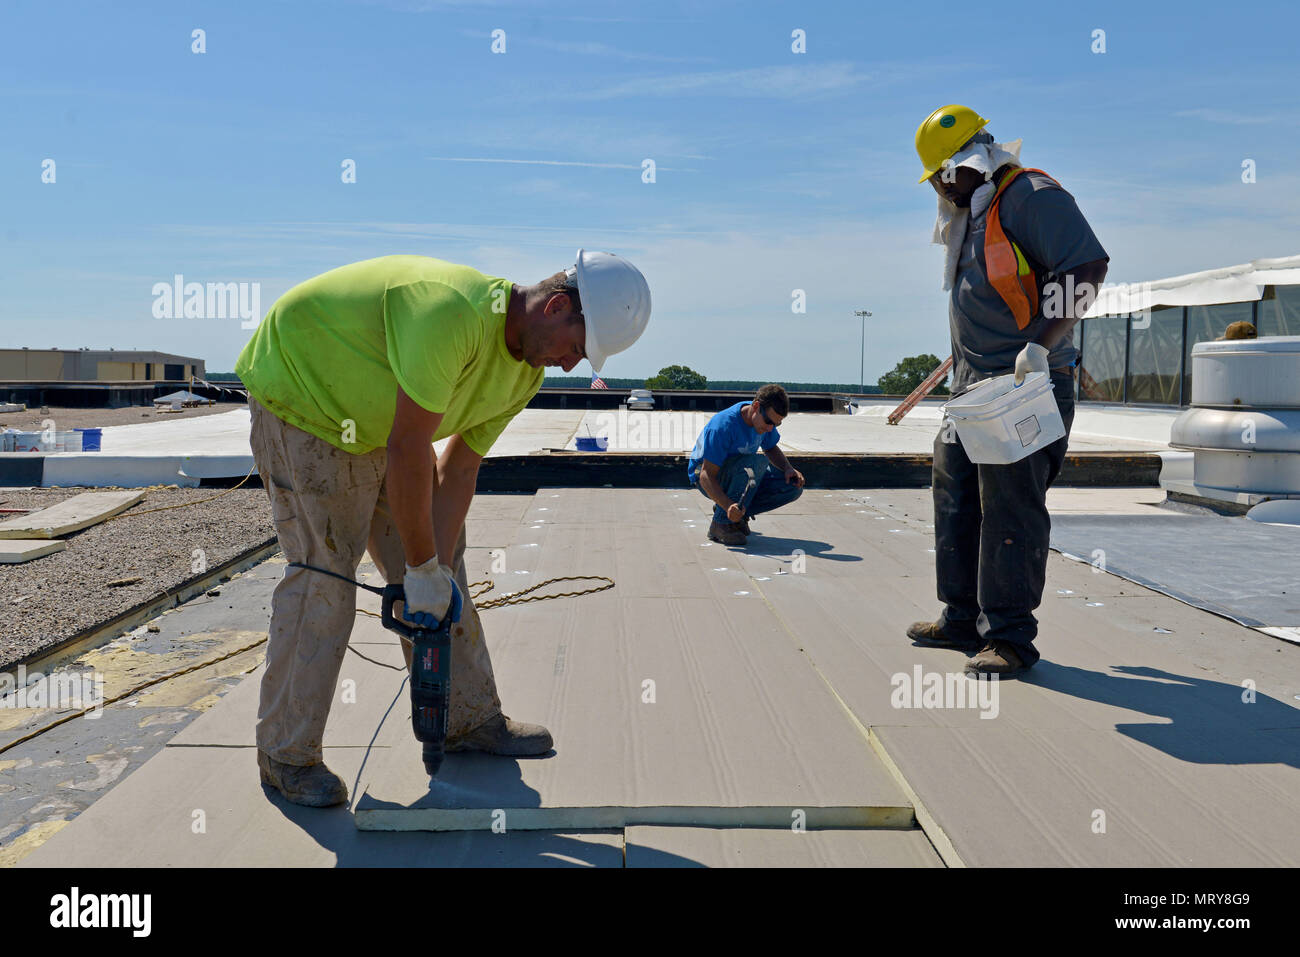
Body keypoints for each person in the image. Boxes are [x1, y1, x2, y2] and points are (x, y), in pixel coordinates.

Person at [235, 250, 651, 805]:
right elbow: (409, 447)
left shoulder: (522, 376)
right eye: (576, 349)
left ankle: (465, 720)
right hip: (305, 395)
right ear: (556, 307)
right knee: (325, 574)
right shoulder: (450, 313)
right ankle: (285, 755)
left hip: (382, 422)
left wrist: (431, 569)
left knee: (442, 564)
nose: (572, 366)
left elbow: (458, 467)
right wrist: (419, 568)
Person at [909, 105, 1109, 676]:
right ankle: (960, 618)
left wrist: (1042, 346)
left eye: (942, 174)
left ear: (966, 162)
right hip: (972, 387)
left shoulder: (1030, 196)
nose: (940, 187)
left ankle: (1011, 637)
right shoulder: (971, 210)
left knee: (1011, 509)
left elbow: (1088, 266)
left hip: (1024, 383)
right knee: (955, 499)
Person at [687, 384, 805, 546]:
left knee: (792, 486)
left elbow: (770, 447)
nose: (770, 428)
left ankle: (737, 515)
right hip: (706, 476)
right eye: (769, 421)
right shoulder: (723, 426)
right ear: (756, 406)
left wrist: (787, 468)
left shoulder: (764, 425)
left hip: (740, 473)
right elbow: (705, 476)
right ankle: (721, 523)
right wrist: (728, 505)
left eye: (776, 425)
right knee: (754, 463)